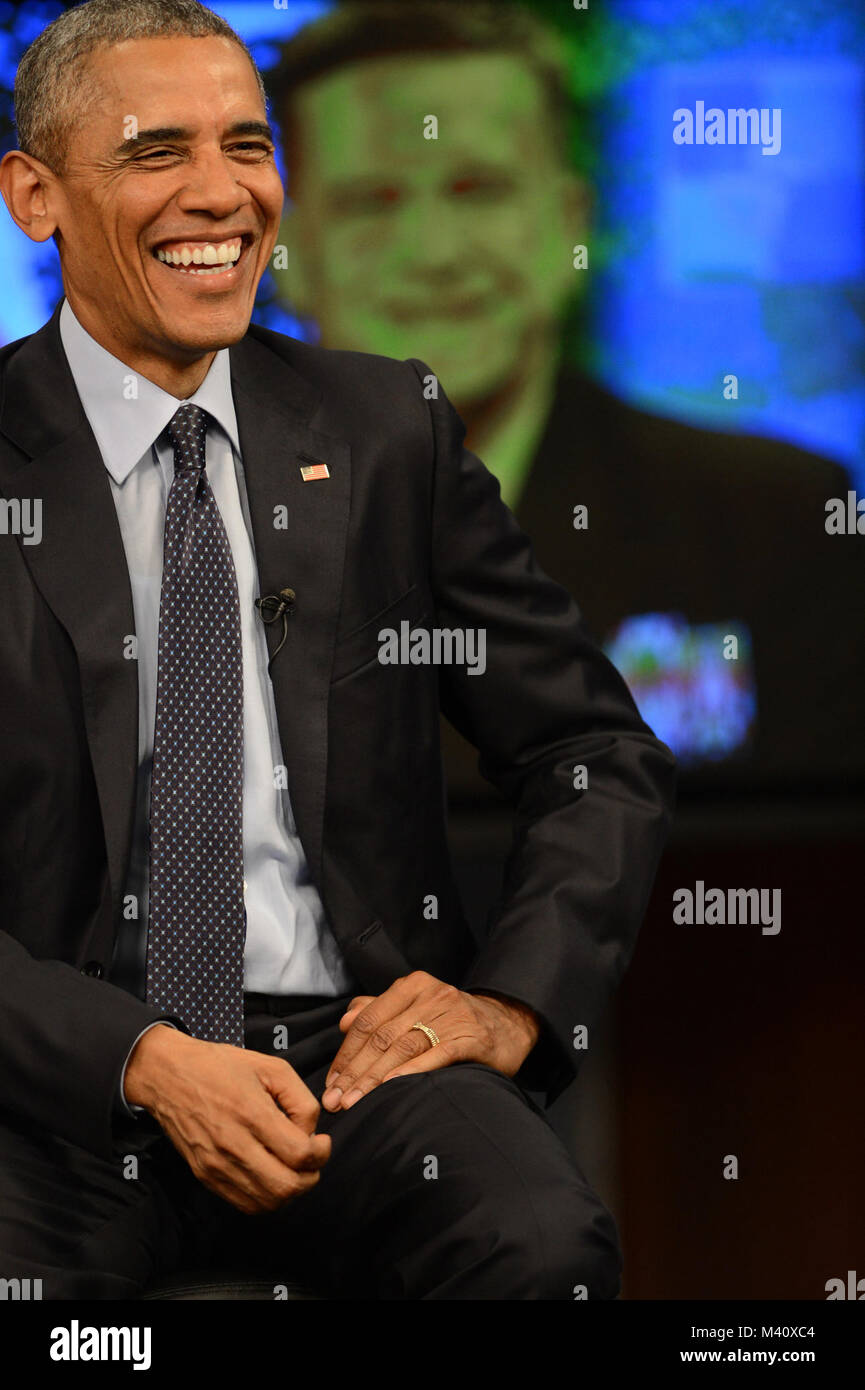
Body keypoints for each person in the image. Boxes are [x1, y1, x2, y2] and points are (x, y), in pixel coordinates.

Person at [0, 0, 674, 1300]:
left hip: (350, 1061)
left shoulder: (383, 431)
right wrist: (138, 1056)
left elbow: (592, 748)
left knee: (538, 1250)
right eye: (158, 152)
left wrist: (512, 1007)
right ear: (36, 194)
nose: (223, 194)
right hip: (59, 1088)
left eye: (246, 146)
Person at [266, 0, 865, 797]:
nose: (435, 254)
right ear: (291, 256)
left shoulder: (781, 520)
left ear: (567, 228)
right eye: (372, 201)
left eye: (478, 189)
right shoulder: (174, 527)